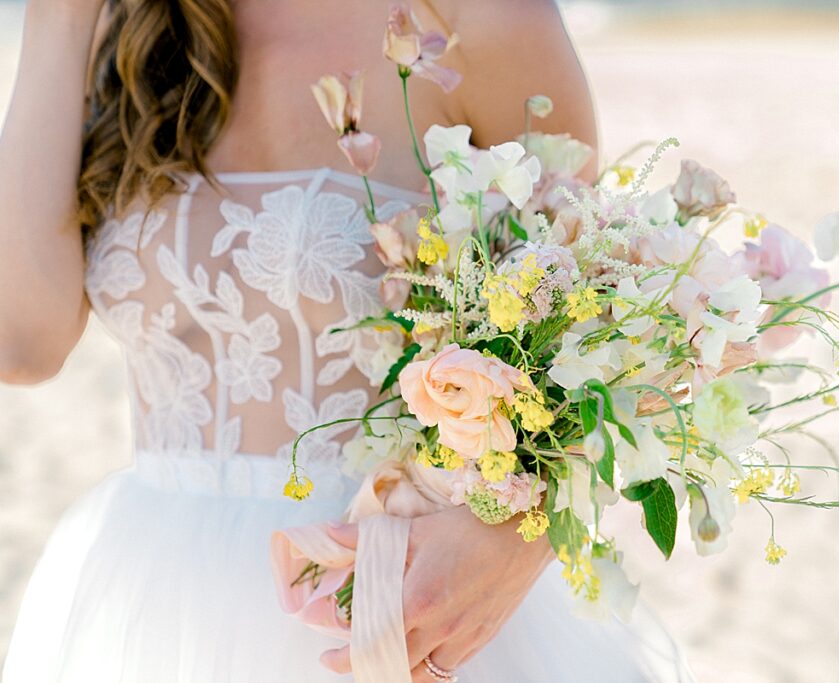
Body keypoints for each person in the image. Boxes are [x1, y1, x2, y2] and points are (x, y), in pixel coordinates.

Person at [0, 1, 689, 680]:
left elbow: (604, 329)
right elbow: (23, 343)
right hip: (154, 603)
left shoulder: (479, 22)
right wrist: (60, 18)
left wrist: (515, 538)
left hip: (401, 595)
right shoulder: (124, 31)